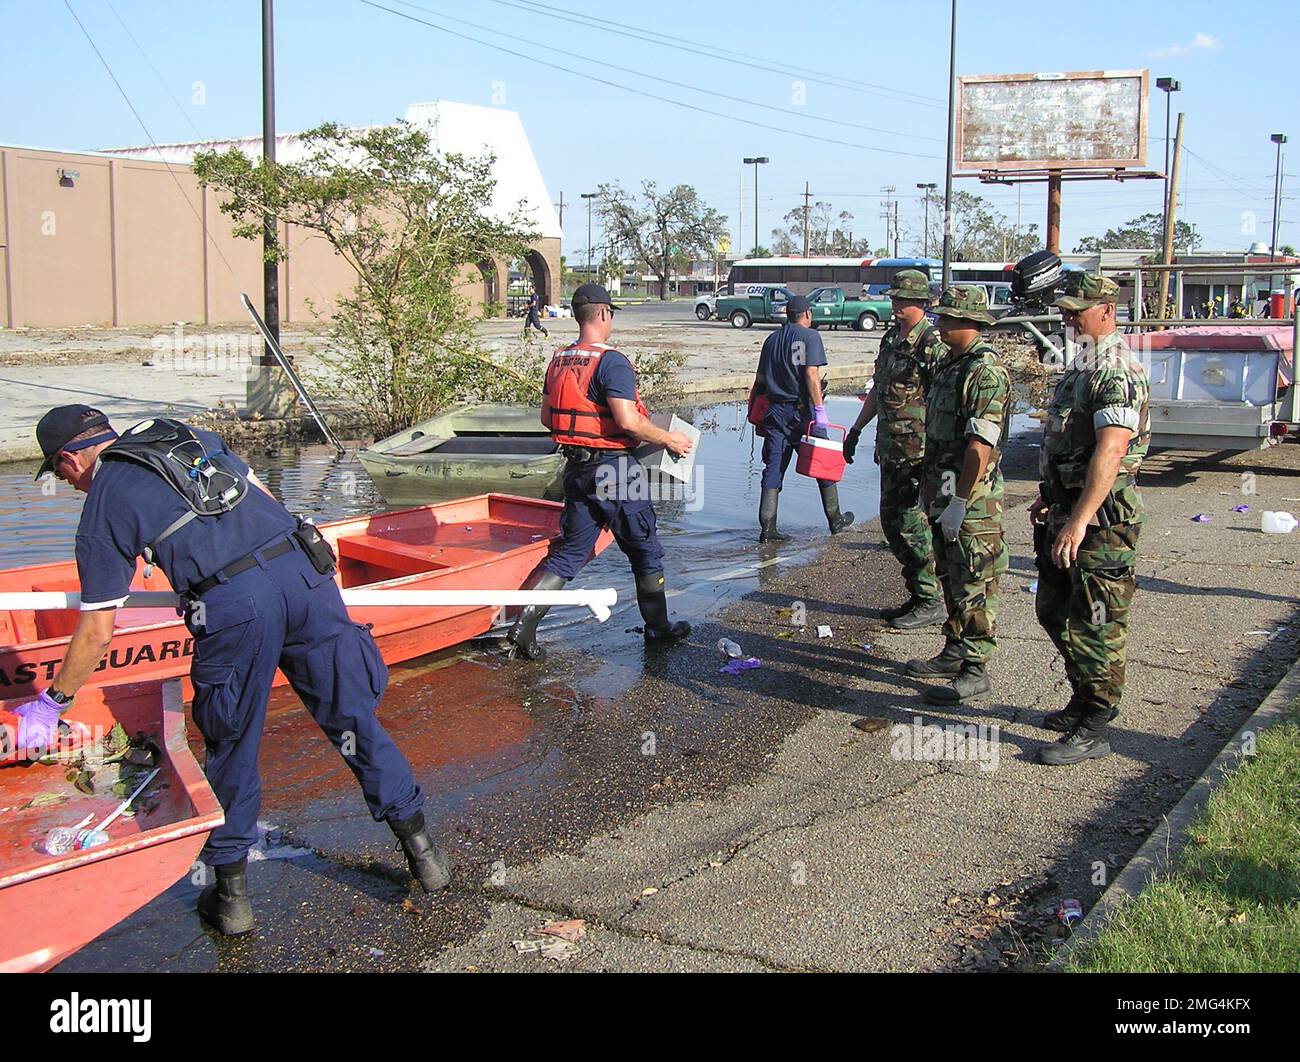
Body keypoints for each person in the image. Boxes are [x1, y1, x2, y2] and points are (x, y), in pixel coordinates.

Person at [14, 405, 450, 936]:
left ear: (68, 459)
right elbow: (260, 497)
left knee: (232, 743)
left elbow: (97, 631)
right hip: (303, 573)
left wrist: (51, 702)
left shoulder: (103, 505)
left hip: (236, 605)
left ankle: (231, 900)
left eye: (59, 476)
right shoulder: (175, 434)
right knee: (353, 723)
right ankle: (424, 856)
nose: (68, 486)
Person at [507, 282, 693, 659]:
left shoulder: (559, 360)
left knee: (570, 553)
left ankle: (523, 627)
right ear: (604, 314)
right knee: (646, 550)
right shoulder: (612, 361)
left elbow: (547, 417)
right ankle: (658, 629)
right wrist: (669, 439)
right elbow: (627, 421)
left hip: (575, 471)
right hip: (614, 471)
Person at [1029, 273, 1149, 765]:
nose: (1066, 317)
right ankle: (1083, 696)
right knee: (1054, 610)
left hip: (1103, 524)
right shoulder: (1083, 365)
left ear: (1106, 310)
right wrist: (1048, 497)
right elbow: (1068, 443)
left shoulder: (1114, 370)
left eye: (1076, 310)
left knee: (1097, 622)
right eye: (1064, 309)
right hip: (1067, 510)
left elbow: (1112, 450)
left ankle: (1097, 722)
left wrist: (1081, 519)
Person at [906, 286, 1011, 704]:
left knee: (974, 582)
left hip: (973, 503)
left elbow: (979, 448)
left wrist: (961, 501)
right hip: (943, 493)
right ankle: (955, 649)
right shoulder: (951, 365)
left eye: (947, 319)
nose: (940, 323)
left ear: (970, 323)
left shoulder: (984, 372)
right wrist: (932, 492)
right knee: (950, 577)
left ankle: (976, 668)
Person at [843, 270, 946, 629]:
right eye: (893, 299)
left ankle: (931, 598)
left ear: (921, 303)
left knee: (910, 523)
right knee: (891, 522)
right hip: (890, 449)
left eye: (901, 300)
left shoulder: (932, 344)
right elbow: (878, 389)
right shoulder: (890, 340)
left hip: (919, 452)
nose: (895, 305)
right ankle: (920, 594)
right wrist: (856, 429)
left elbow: (943, 400)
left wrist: (940, 451)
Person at [750, 293, 855, 542]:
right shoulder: (811, 336)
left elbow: (760, 382)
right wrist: (820, 411)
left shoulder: (771, 340)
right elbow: (810, 374)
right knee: (824, 463)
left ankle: (767, 530)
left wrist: (756, 415)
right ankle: (835, 520)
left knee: (773, 467)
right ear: (807, 313)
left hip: (775, 412)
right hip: (803, 414)